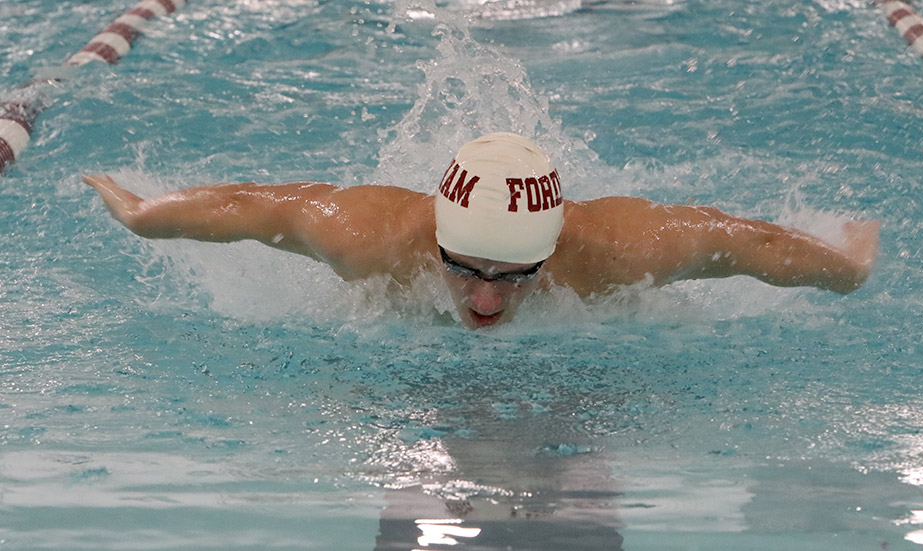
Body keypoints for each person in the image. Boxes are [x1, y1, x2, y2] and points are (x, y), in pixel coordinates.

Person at [84, 132, 878, 329]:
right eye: (463, 269)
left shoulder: (612, 249)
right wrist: (145, 215)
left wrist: (848, 266)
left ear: (553, 248)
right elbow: (259, 208)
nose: (484, 302)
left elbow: (748, 243)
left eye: (513, 277)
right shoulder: (373, 234)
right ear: (434, 237)